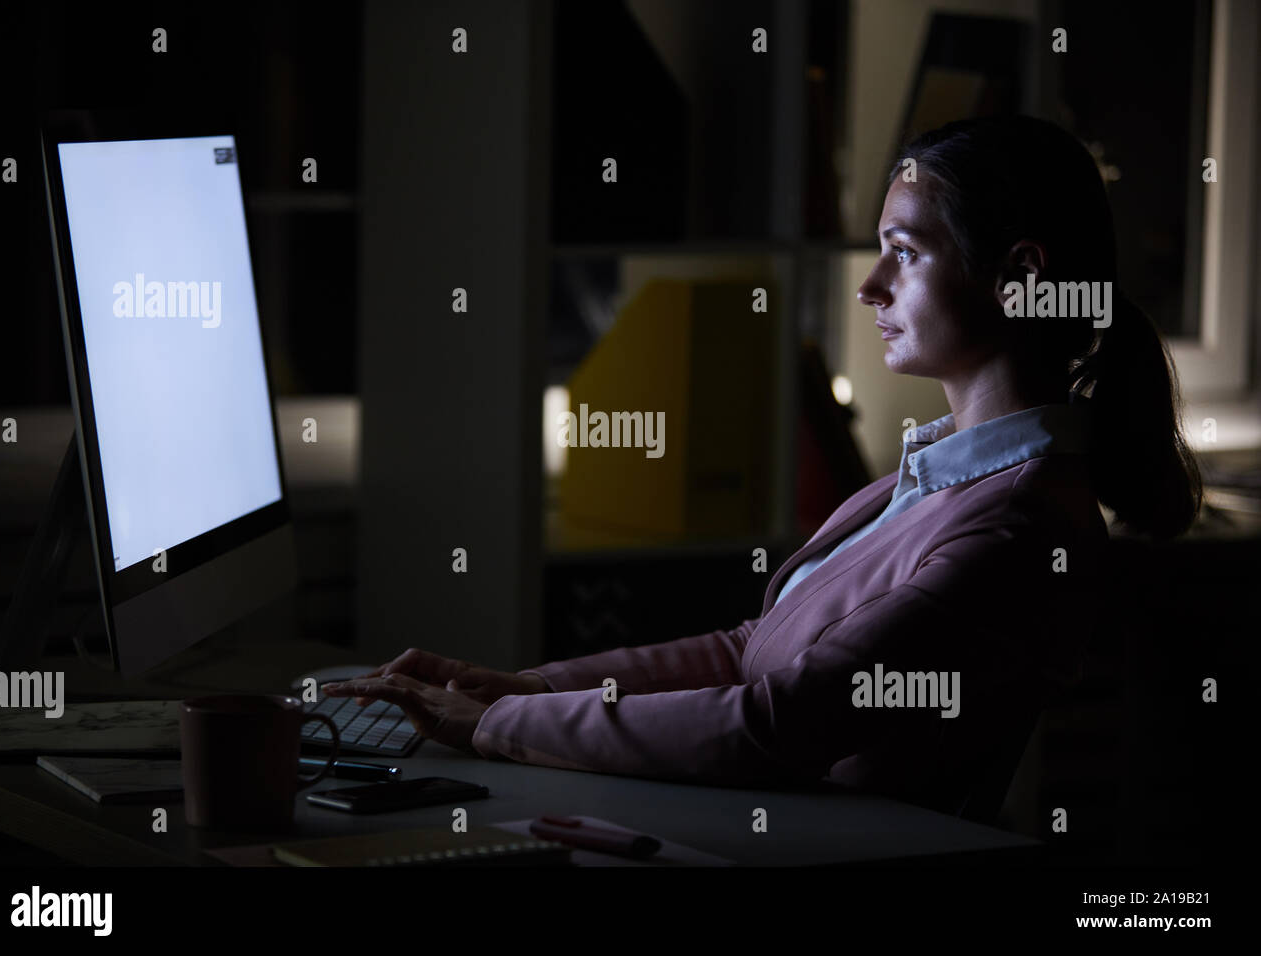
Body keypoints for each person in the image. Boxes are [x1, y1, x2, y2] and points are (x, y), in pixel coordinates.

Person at [323, 116, 1201, 817]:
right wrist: (531, 687)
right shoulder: (941, 477)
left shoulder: (1016, 525)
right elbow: (752, 654)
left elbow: (776, 722)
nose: (870, 288)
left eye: (905, 251)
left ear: (1018, 276)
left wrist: (502, 726)